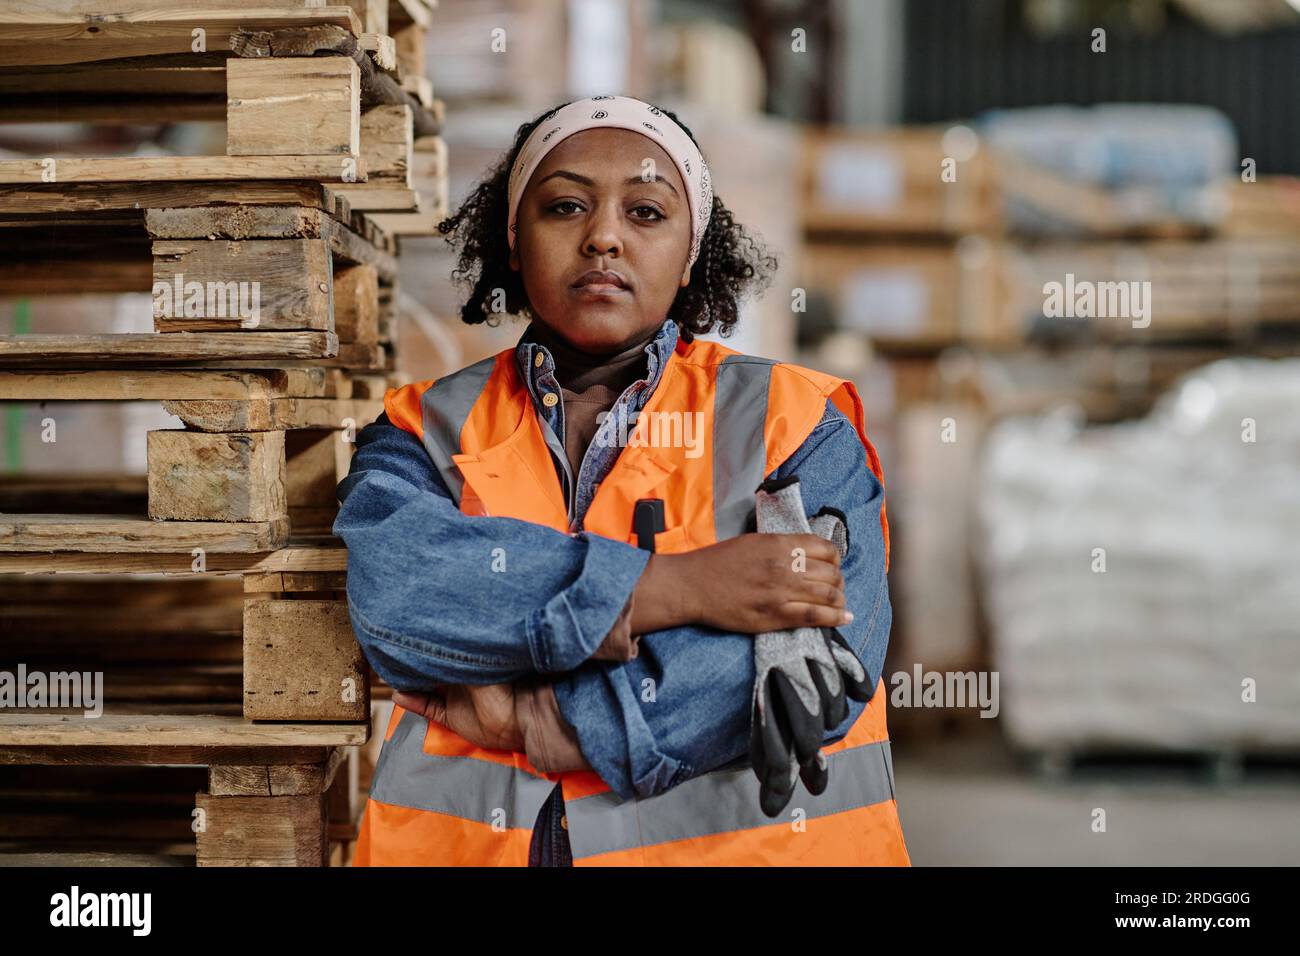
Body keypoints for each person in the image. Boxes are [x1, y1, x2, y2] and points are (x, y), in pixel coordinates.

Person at [334, 95, 909, 866]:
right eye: (565, 206)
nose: (603, 236)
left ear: (691, 252)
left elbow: (827, 659)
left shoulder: (794, 425)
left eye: (646, 213)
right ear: (513, 240)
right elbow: (400, 598)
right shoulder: (425, 430)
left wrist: (541, 724)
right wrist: (679, 589)